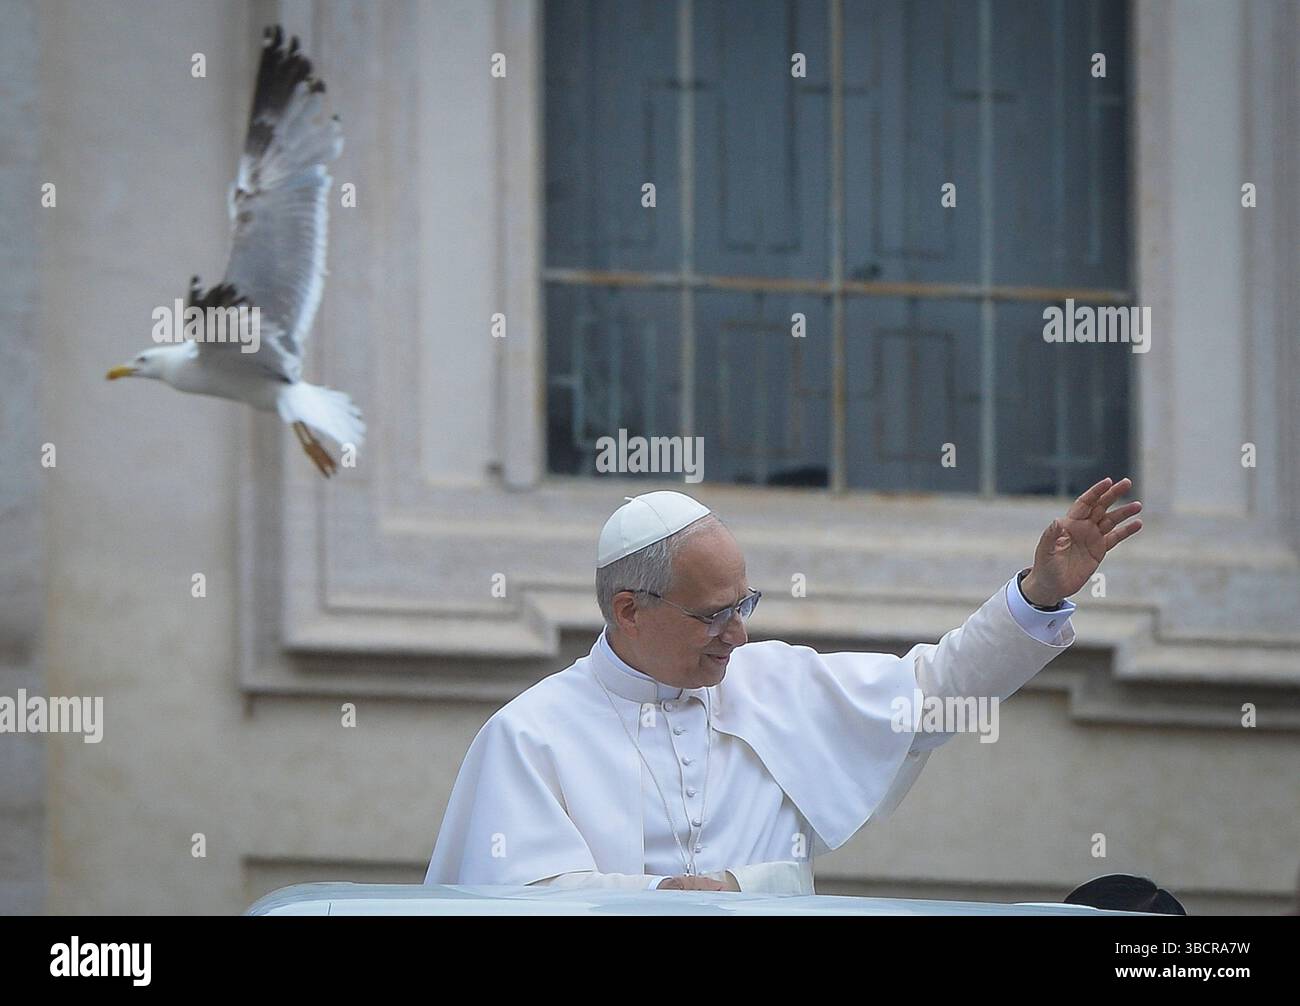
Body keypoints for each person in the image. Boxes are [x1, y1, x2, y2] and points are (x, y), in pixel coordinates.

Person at [425, 478, 1143, 894]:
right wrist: (678, 900)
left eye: (745, 605)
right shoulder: (530, 736)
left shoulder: (777, 684)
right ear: (628, 610)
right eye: (712, 616)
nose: (738, 634)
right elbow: (512, 906)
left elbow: (936, 692)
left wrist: (1038, 595)